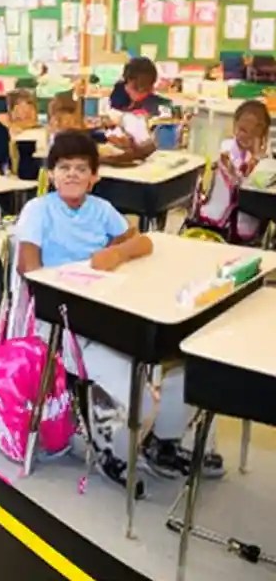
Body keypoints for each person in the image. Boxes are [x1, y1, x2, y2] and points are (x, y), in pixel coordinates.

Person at [15, 131, 224, 494]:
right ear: (50, 173)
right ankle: (112, 450)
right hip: (67, 321)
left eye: (82, 168)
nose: (73, 175)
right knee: (137, 390)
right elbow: (28, 268)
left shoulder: (100, 209)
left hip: (114, 307)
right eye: (64, 168)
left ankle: (164, 443)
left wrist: (116, 253)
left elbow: (141, 240)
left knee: (182, 365)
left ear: (95, 176)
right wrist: (73, 275)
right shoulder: (39, 210)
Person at [182, 100, 272, 244]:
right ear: (235, 126)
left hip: (247, 222)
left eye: (255, 131)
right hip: (219, 223)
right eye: (243, 130)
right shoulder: (225, 150)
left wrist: (258, 157)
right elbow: (240, 183)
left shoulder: (265, 157)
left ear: (263, 134)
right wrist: (255, 159)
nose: (247, 135)